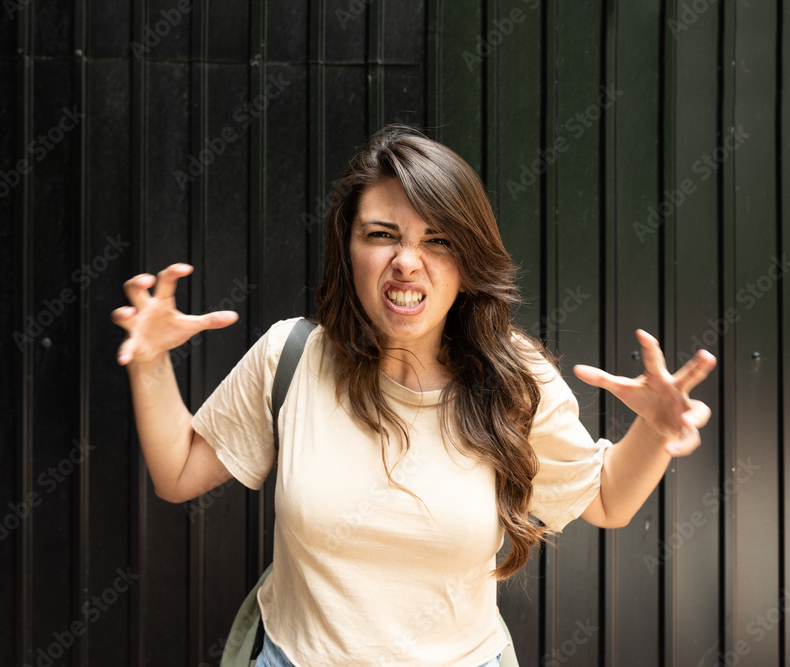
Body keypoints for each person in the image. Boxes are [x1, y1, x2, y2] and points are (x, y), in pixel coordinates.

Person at [111, 125, 716, 666]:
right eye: (382, 234)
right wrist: (151, 363)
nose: (407, 261)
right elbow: (177, 473)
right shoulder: (290, 358)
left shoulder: (513, 379)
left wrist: (656, 434)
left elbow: (607, 501)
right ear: (349, 249)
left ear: (467, 260)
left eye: (437, 240)